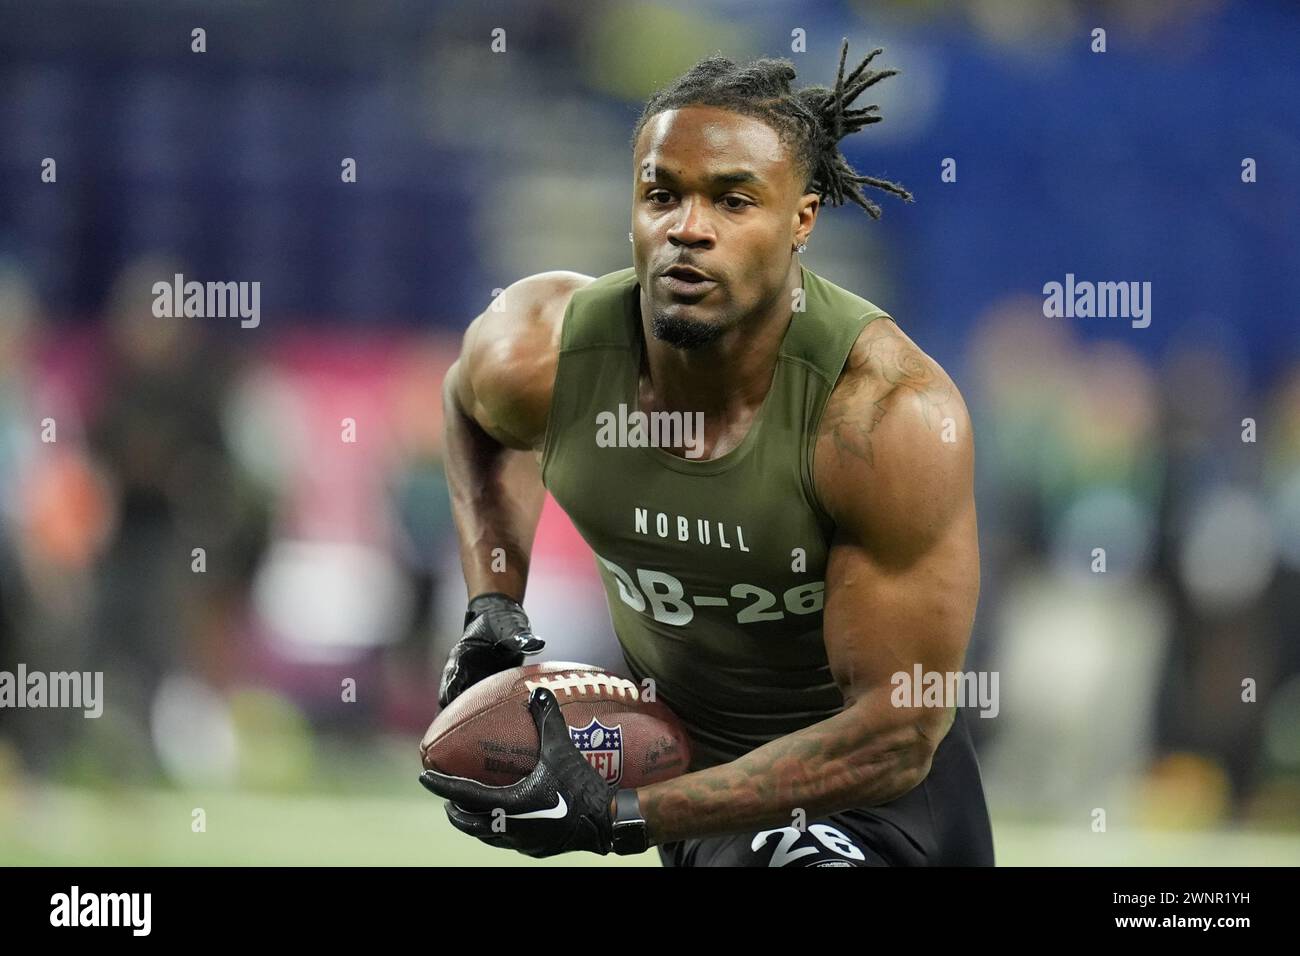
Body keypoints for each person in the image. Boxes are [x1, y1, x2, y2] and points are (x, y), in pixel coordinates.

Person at [420, 40, 994, 866]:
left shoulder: (885, 415)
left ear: (801, 220)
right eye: (662, 194)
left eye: (733, 201)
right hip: (700, 797)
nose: (688, 229)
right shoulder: (536, 355)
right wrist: (493, 602)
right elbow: (466, 409)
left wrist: (622, 815)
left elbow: (898, 735)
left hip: (881, 795)